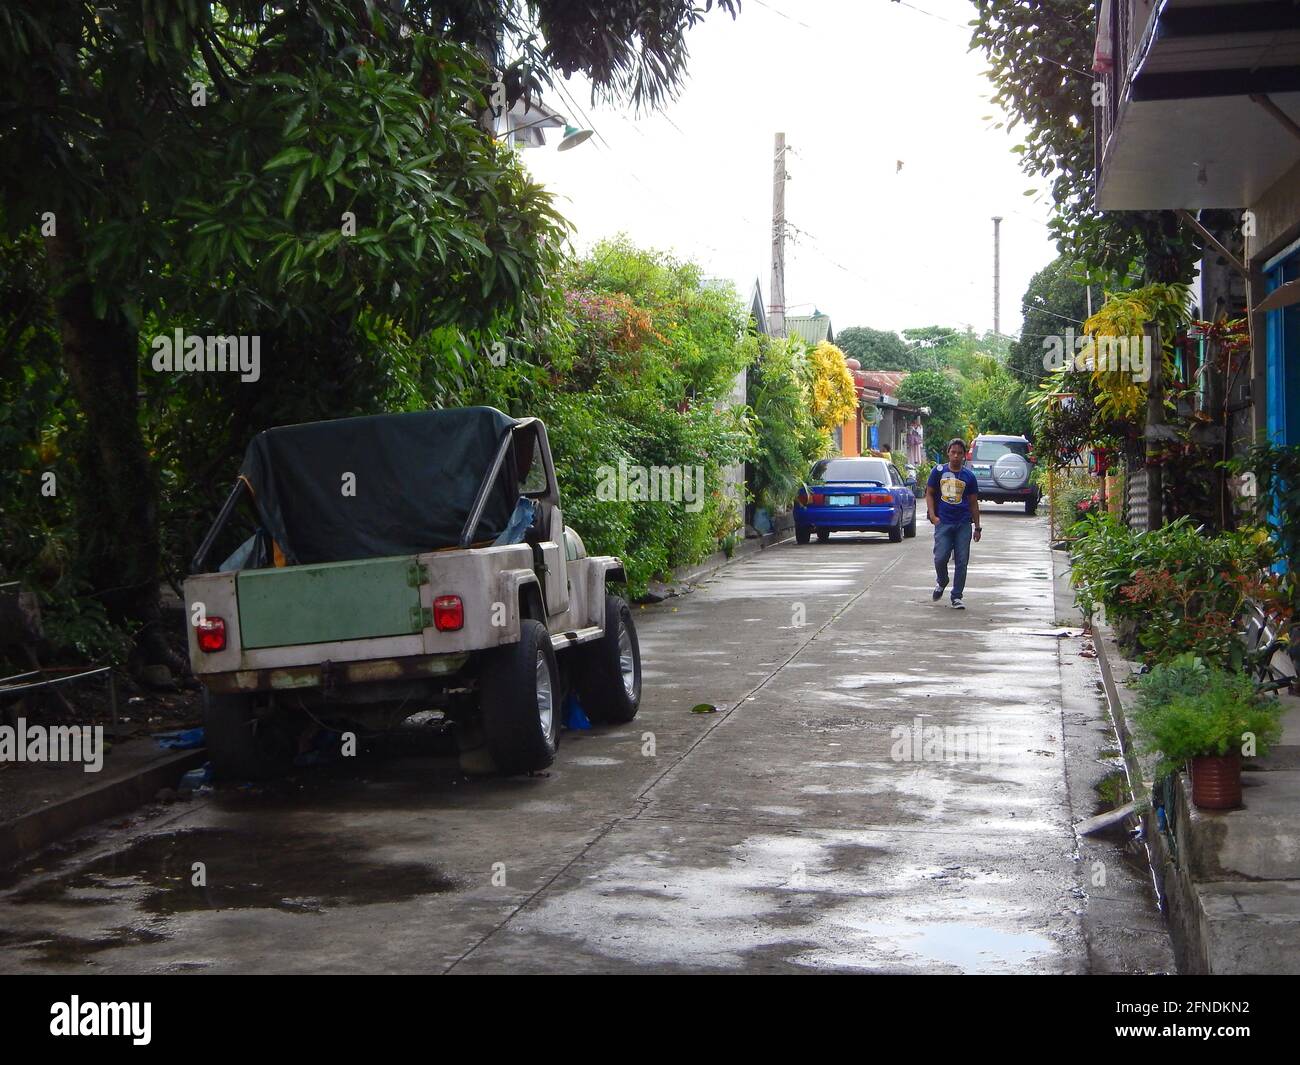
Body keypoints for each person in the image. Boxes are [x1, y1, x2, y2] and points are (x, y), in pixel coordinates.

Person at [925, 438, 981, 609]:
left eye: (959, 453)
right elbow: (929, 493)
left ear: (964, 455)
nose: (956, 456)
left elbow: (973, 502)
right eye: (953, 452)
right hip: (944, 522)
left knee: (962, 561)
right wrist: (934, 516)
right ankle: (942, 580)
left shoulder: (969, 477)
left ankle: (956, 596)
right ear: (948, 453)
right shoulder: (938, 472)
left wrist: (977, 527)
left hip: (963, 523)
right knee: (940, 557)